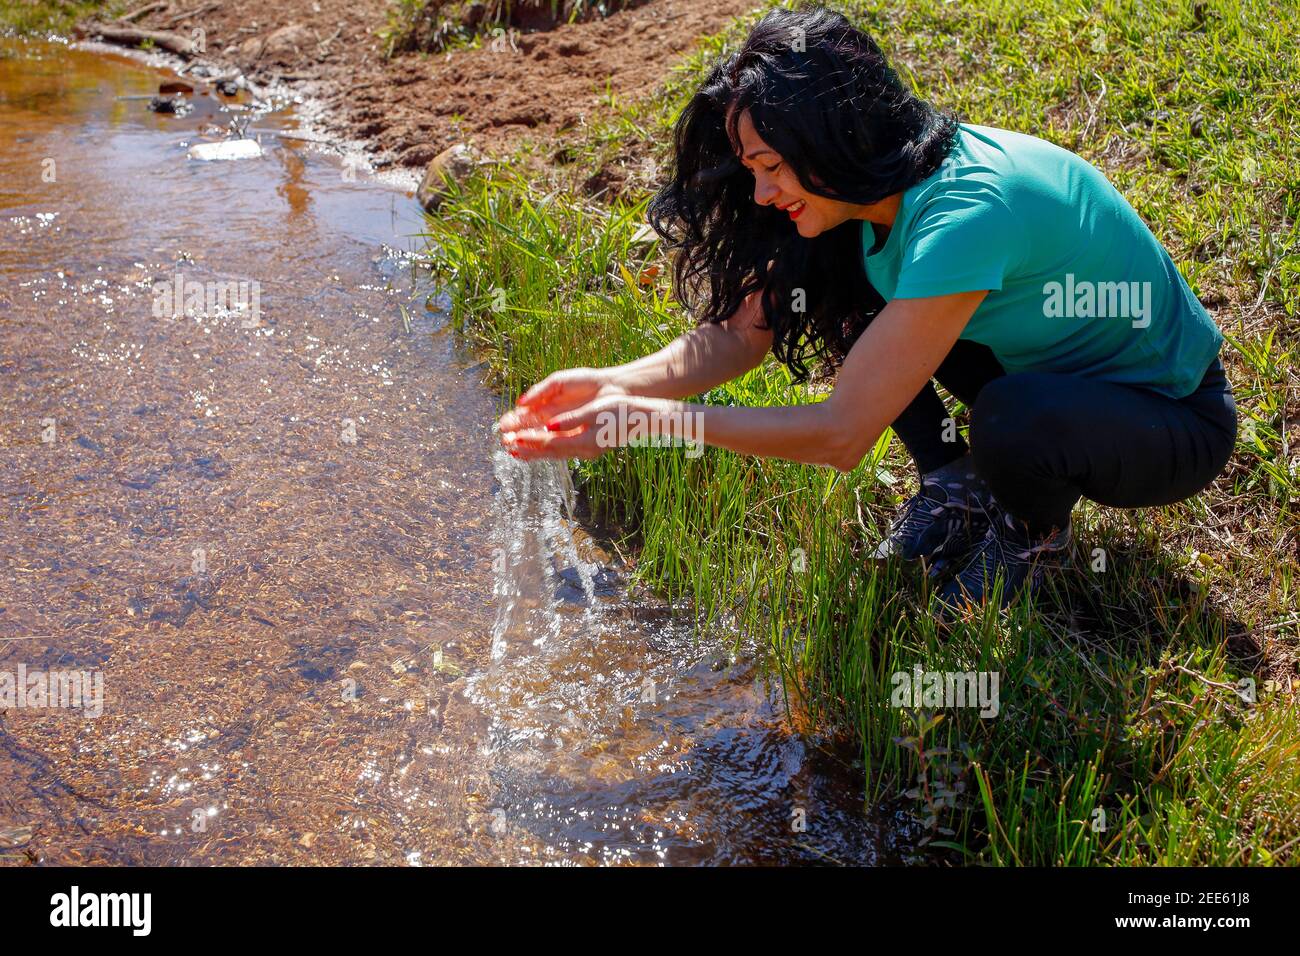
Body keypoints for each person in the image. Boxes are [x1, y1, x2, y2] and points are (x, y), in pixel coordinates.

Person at [497, 5, 1237, 615]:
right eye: (753, 171)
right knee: (851, 299)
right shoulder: (862, 201)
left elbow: (840, 434)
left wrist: (648, 421)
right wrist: (611, 383)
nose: (761, 194)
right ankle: (957, 487)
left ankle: (1030, 536)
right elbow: (738, 338)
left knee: (1014, 416)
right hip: (1056, 374)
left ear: (830, 140)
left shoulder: (966, 213)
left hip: (1169, 423)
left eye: (771, 168)